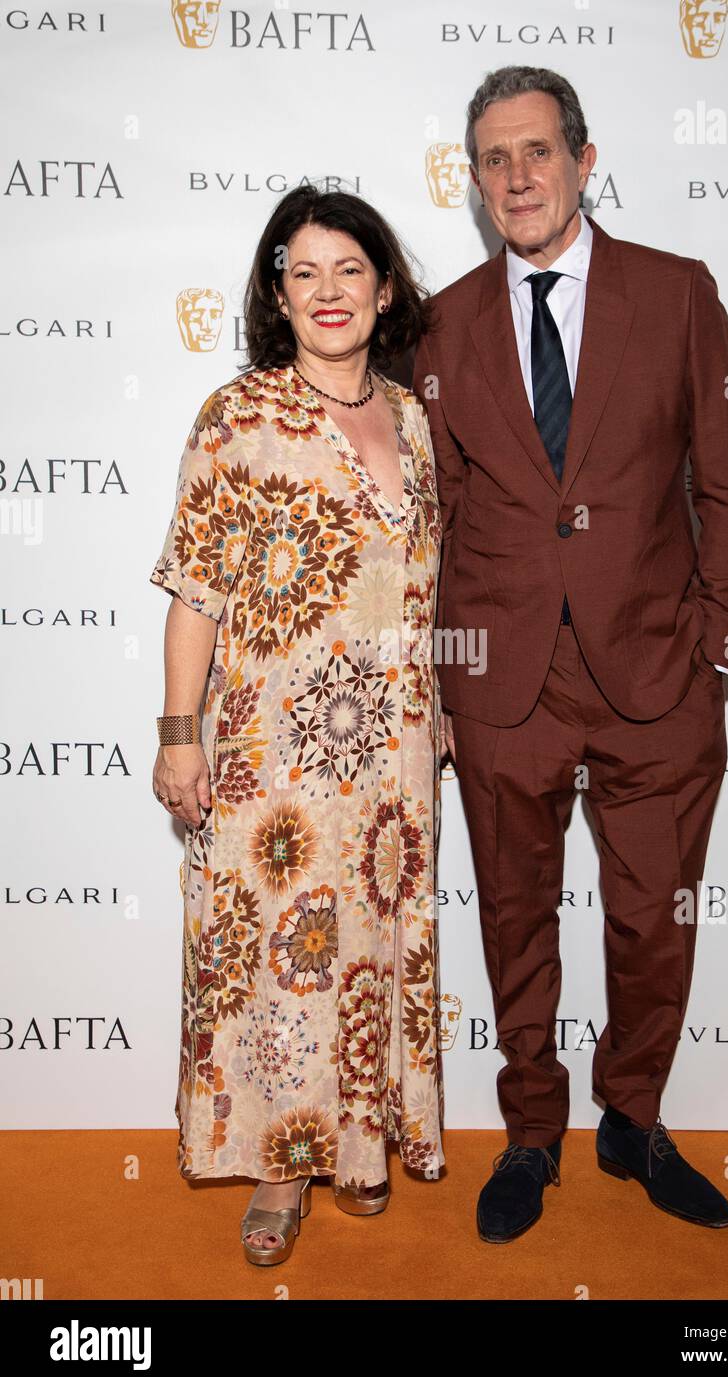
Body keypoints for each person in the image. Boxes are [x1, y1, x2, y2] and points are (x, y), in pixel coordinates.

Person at [413, 65, 728, 1243]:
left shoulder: (673, 296)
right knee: (514, 917)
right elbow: (438, 519)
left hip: (657, 676)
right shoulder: (444, 324)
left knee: (650, 917)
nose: (514, 177)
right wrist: (450, 673)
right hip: (504, 687)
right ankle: (529, 1132)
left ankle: (634, 1116)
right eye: (491, 159)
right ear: (473, 181)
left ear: (581, 157)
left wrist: (717, 646)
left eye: (534, 152)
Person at [150, 184, 445, 1266]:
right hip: (276, 750)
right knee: (281, 957)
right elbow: (195, 594)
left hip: (394, 751)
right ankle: (280, 1165)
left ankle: (356, 1146)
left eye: (349, 270)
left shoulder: (410, 416)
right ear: (279, 293)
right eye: (304, 272)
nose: (329, 292)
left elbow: (418, 587)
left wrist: (437, 708)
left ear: (384, 286)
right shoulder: (238, 417)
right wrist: (180, 731)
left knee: (366, 952)